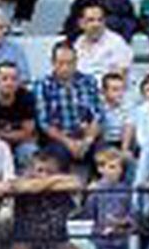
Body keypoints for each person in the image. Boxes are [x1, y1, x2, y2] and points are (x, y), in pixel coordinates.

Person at [36, 39, 102, 169]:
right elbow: (44, 123)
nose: (65, 68)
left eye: (70, 63)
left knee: (108, 156)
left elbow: (97, 115)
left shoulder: (88, 81)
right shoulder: (43, 85)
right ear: (53, 63)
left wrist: (87, 140)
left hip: (86, 135)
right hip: (59, 138)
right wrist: (69, 142)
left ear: (76, 62)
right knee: (57, 157)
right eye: (61, 63)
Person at [5, 147, 77, 249]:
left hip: (57, 241)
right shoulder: (21, 183)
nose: (44, 175)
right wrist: (50, 181)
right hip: (26, 241)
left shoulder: (64, 186)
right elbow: (19, 187)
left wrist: (46, 182)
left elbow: (76, 182)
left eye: (49, 171)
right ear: (30, 171)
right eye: (40, 170)